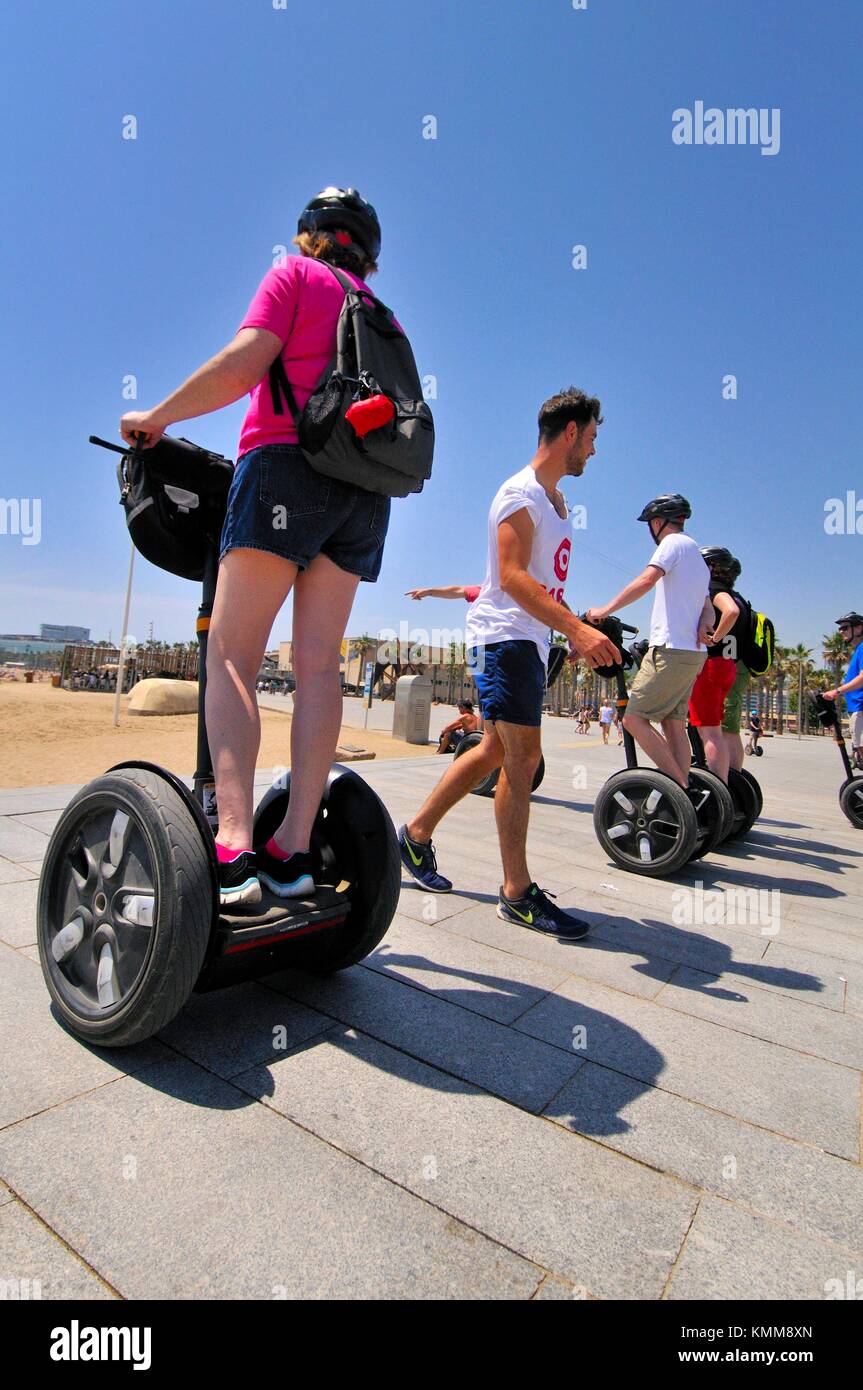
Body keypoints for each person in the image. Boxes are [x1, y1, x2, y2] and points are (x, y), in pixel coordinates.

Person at [120, 187, 400, 907]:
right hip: (365, 493)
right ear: (367, 251)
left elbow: (246, 364)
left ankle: (236, 848)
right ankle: (295, 848)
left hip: (284, 466)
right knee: (317, 668)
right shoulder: (380, 316)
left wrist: (157, 416)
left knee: (235, 655)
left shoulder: (296, 277)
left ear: (310, 236)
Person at [398, 388, 619, 938]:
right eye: (591, 438)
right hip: (505, 639)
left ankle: (415, 834)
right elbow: (513, 577)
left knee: (496, 749)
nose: (593, 450)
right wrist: (575, 630)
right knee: (522, 757)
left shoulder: (555, 502)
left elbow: (542, 584)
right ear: (569, 432)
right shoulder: (519, 493)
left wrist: (575, 631)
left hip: (530, 640)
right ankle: (517, 893)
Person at [586, 495, 712, 797]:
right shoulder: (696, 552)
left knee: (633, 718)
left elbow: (646, 579)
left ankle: (678, 789)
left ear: (658, 523)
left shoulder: (671, 545)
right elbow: (707, 605)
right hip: (693, 654)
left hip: (669, 650)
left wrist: (605, 608)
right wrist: (705, 624)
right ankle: (685, 788)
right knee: (673, 723)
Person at [688, 547, 744, 784]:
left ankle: (718, 789)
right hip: (728, 665)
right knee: (720, 731)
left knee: (709, 732)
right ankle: (731, 781)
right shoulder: (739, 595)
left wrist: (714, 637)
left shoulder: (715, 590)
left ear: (710, 568)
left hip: (711, 665)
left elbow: (731, 611)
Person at [824, 612, 863, 769]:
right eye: (840, 628)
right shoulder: (858, 650)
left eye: (845, 627)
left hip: (861, 707)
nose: (841, 631)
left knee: (861, 748)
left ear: (859, 628)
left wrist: (837, 691)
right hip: (856, 708)